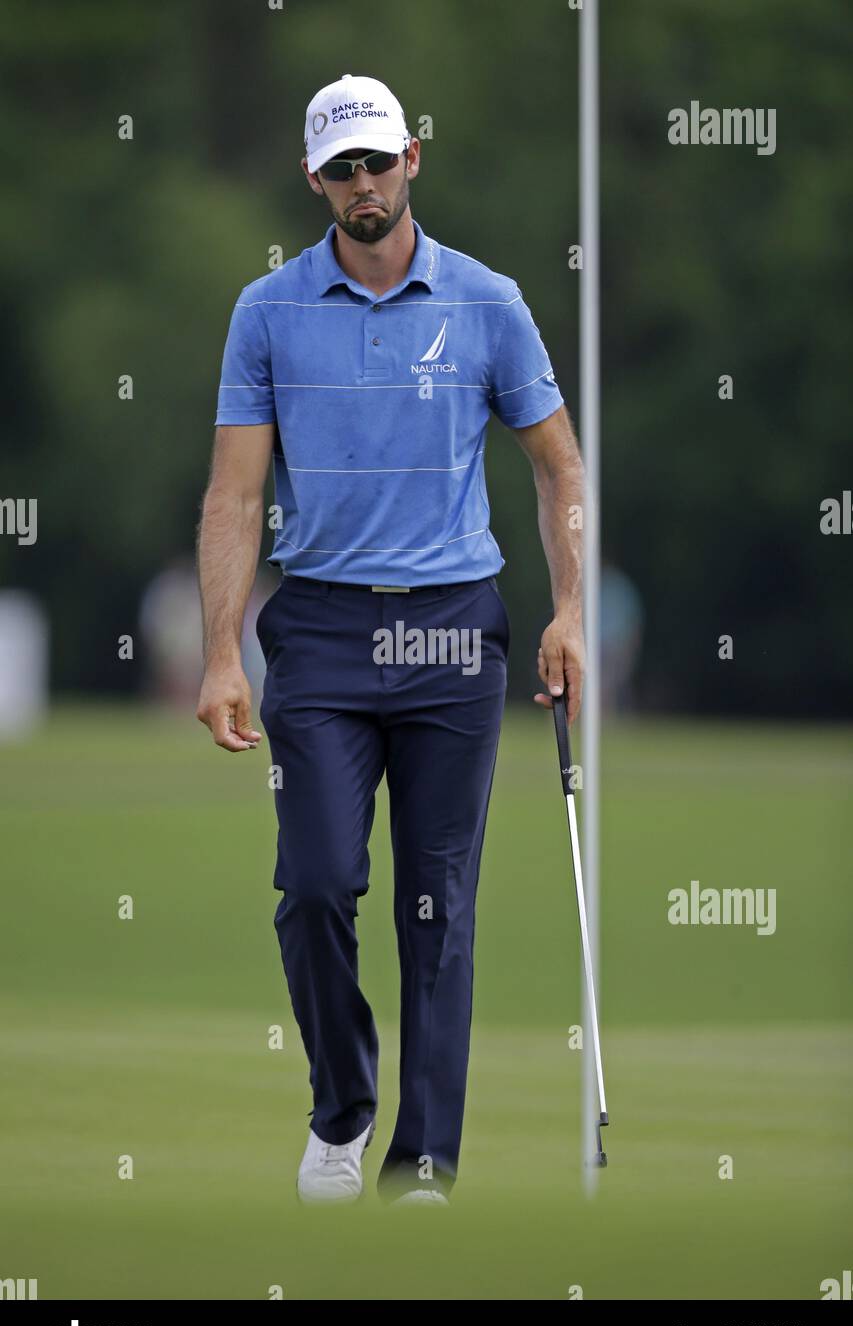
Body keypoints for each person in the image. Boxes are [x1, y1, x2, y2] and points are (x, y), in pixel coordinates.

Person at [196, 74, 585, 1206]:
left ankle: (424, 1162)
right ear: (313, 177)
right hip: (317, 625)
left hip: (457, 625)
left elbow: (558, 466)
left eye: (377, 161)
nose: (361, 184)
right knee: (316, 883)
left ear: (413, 156)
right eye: (340, 168)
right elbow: (232, 495)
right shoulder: (266, 310)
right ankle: (341, 1108)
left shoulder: (487, 300)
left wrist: (565, 610)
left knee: (437, 900)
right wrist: (223, 650)